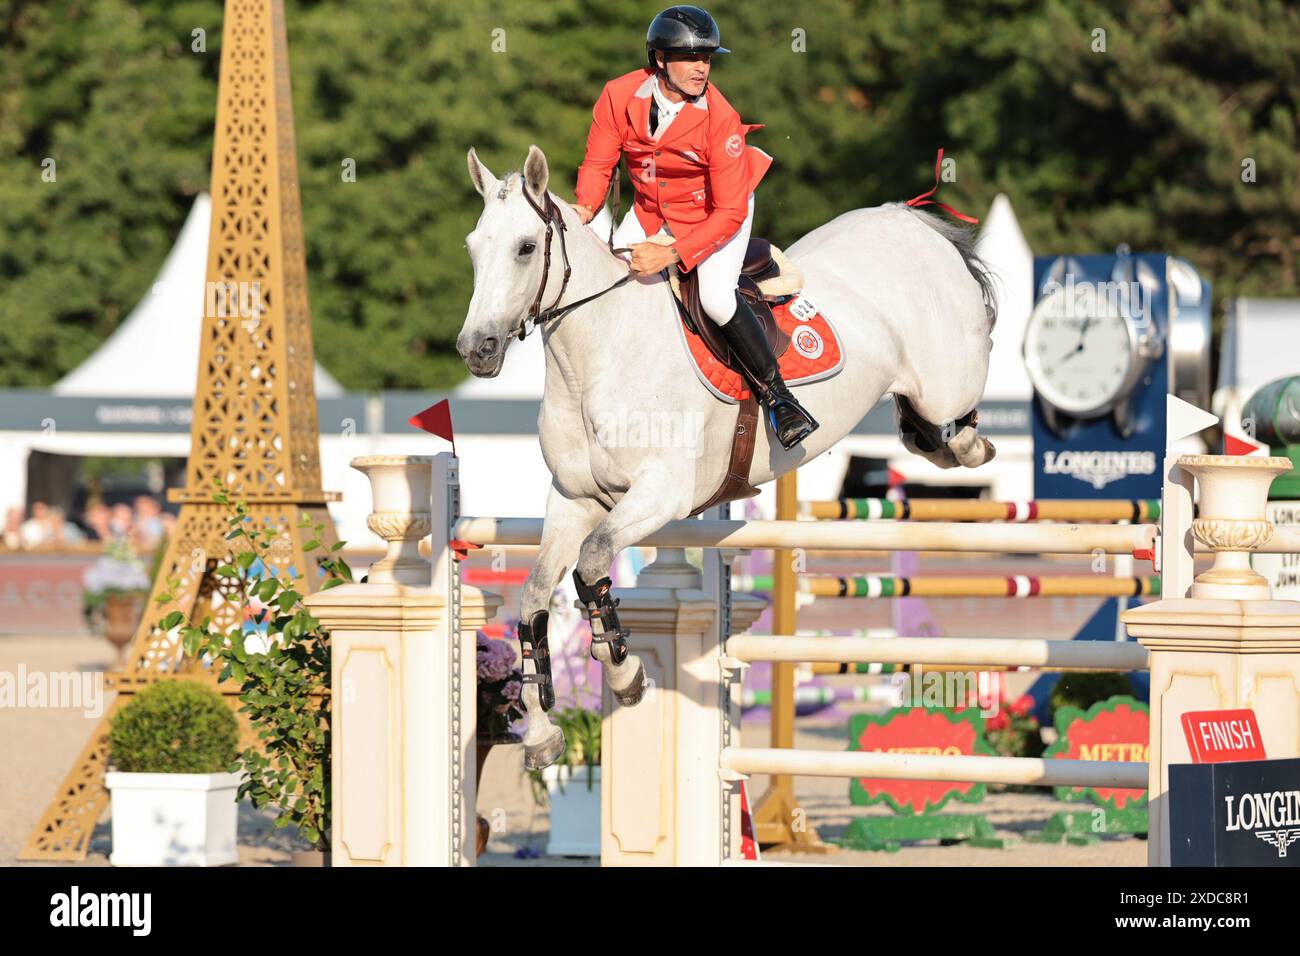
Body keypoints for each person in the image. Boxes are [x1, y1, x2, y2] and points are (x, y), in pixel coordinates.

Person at [571, 5, 818, 450]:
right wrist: (584, 209)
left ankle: (780, 397)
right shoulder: (617, 94)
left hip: (716, 214)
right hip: (651, 212)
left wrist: (671, 253)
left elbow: (729, 213)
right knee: (609, 285)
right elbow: (597, 163)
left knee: (715, 297)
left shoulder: (719, 117)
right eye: (690, 58)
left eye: (707, 57)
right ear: (660, 60)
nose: (701, 67)